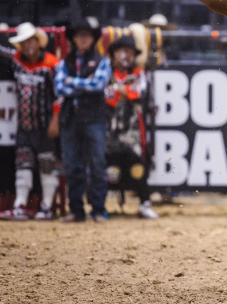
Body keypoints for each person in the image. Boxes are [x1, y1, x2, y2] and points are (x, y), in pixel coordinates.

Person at [0, 23, 61, 221]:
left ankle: (47, 207)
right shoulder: (17, 60)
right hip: (25, 125)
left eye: (30, 40)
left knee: (47, 164)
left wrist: (55, 120)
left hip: (45, 125)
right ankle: (20, 205)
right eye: (23, 42)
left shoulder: (52, 63)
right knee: (23, 164)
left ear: (38, 41)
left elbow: (59, 96)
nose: (27, 45)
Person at [55, 18, 112, 223]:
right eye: (79, 35)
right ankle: (77, 210)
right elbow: (59, 87)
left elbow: (98, 84)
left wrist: (73, 82)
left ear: (93, 38)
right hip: (71, 118)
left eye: (87, 35)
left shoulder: (102, 60)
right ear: (74, 39)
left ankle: (98, 209)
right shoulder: (65, 62)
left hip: (94, 118)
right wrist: (84, 83)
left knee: (97, 163)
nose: (83, 39)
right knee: (72, 165)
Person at [104, 36, 158, 219]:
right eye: (122, 51)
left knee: (137, 167)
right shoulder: (107, 73)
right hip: (110, 129)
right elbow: (107, 97)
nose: (125, 56)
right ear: (114, 55)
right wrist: (125, 91)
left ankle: (145, 204)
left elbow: (139, 91)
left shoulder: (138, 74)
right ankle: (101, 205)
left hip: (133, 130)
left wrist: (119, 90)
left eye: (129, 52)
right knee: (110, 168)